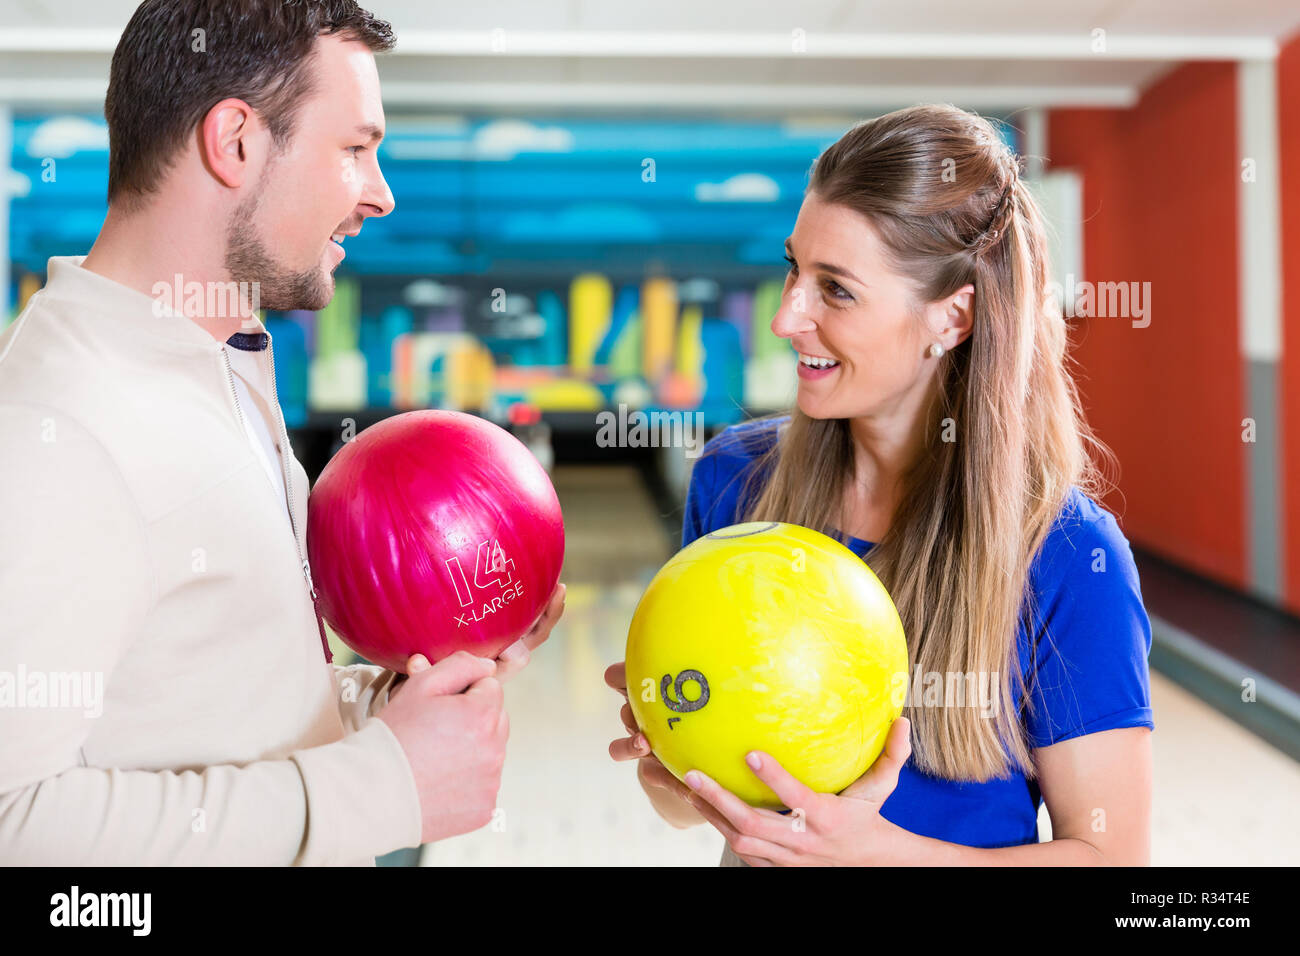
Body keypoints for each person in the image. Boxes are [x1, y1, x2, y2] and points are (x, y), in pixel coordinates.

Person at [0, 0, 564, 865]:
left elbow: (204, 710)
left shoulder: (214, 370)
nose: (381, 194)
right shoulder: (63, 428)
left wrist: (383, 712)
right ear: (235, 142)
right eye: (355, 149)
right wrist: (382, 786)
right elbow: (15, 821)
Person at [607, 104, 1153, 866]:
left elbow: (1112, 860)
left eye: (836, 290)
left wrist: (878, 853)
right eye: (793, 268)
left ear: (952, 318)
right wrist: (669, 755)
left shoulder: (1066, 553)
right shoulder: (736, 481)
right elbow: (685, 808)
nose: (787, 316)